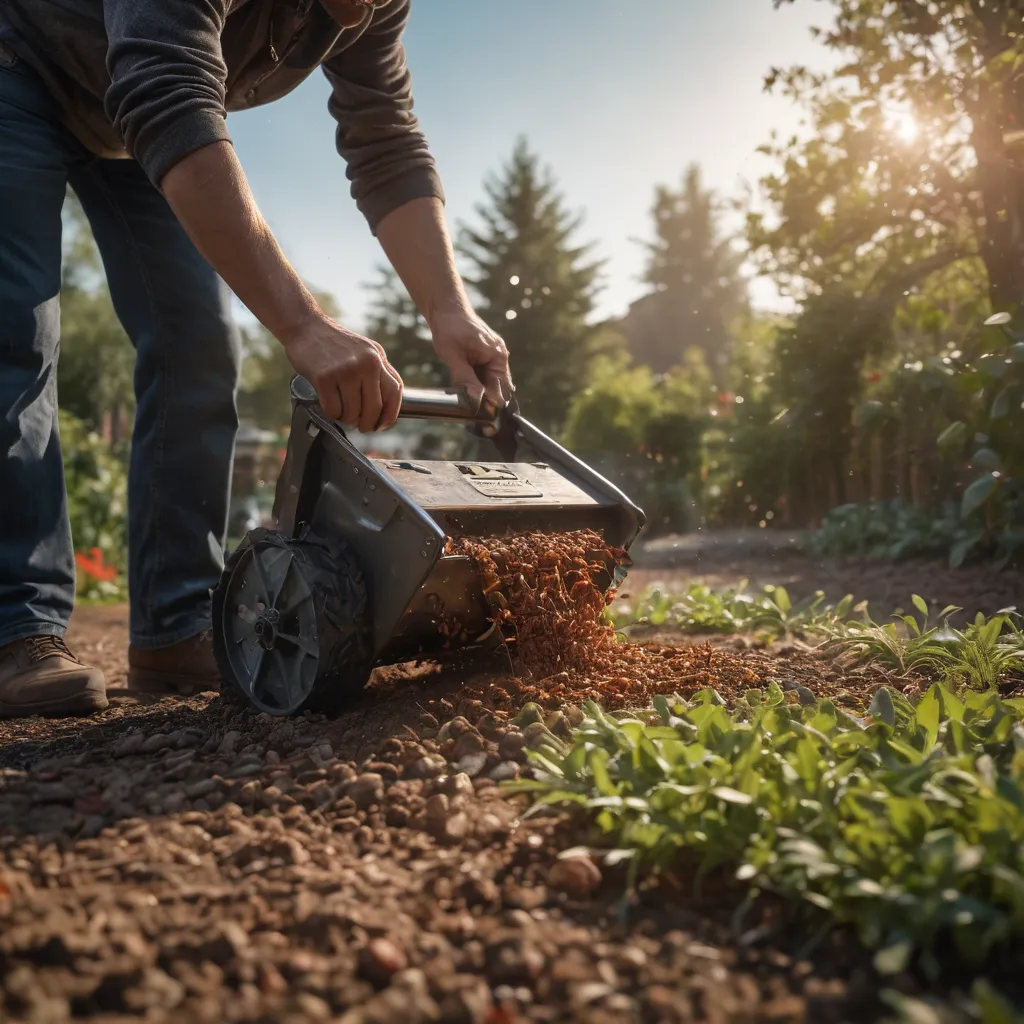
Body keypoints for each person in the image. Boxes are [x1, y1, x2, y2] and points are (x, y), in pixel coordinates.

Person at [0, 0, 513, 719]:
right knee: (17, 333)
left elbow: (386, 137)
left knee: (200, 345)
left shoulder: (377, 5)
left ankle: (176, 625)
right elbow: (168, 83)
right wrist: (304, 325)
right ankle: (17, 628)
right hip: (20, 60)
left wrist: (450, 312)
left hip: (128, 113)